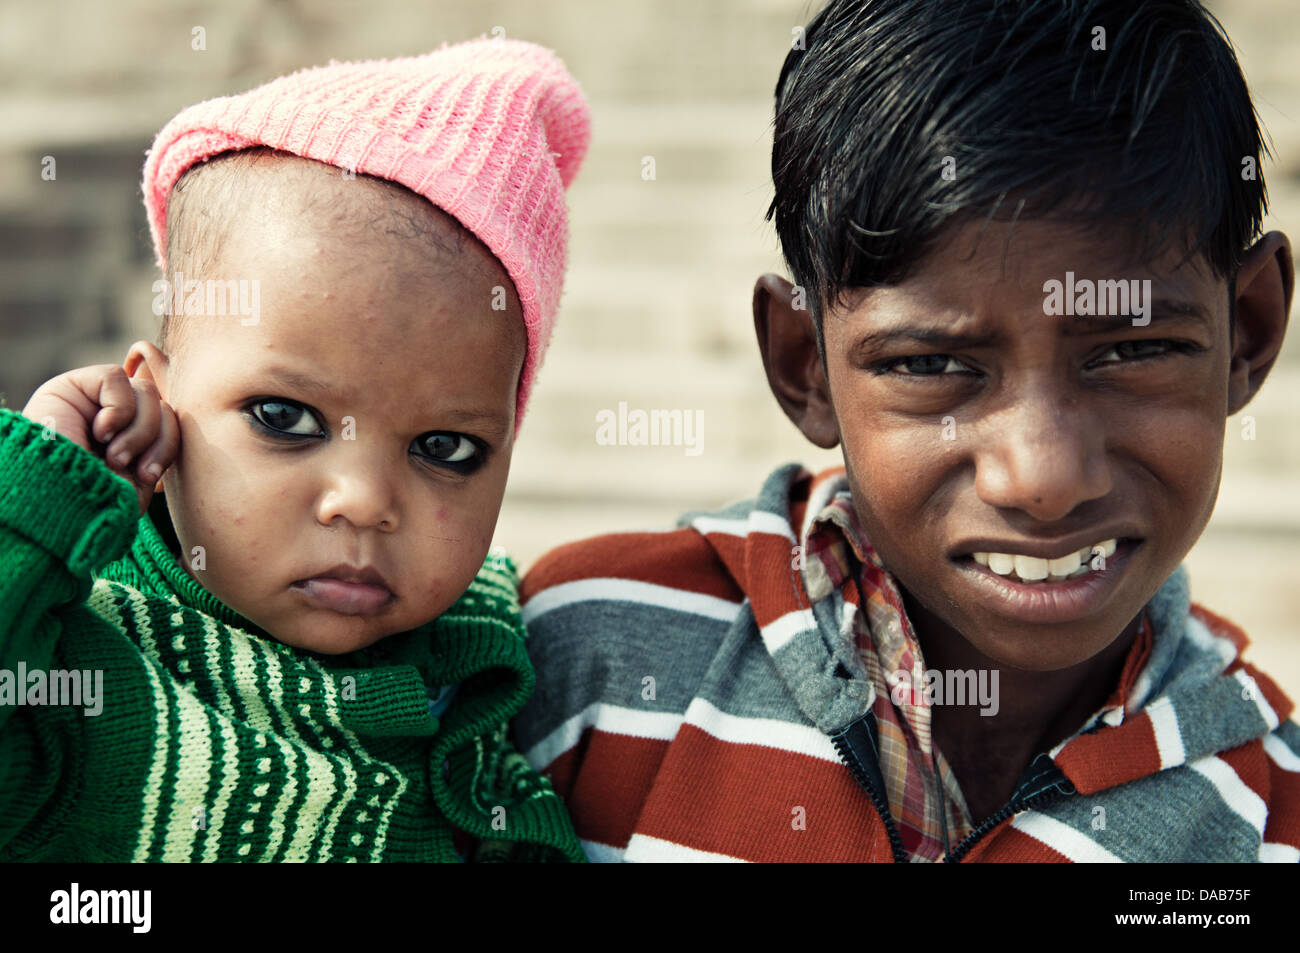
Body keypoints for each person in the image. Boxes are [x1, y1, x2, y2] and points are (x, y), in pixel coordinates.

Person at [512, 0, 1299, 862]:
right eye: (930, 365)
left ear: (1249, 332)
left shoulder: (1269, 816)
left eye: (1134, 349)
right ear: (803, 363)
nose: (1042, 475)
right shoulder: (585, 660)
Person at [2, 37, 589, 862]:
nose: (363, 499)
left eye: (446, 446)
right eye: (284, 416)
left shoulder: (477, 687)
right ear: (156, 401)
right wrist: (34, 503)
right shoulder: (80, 655)